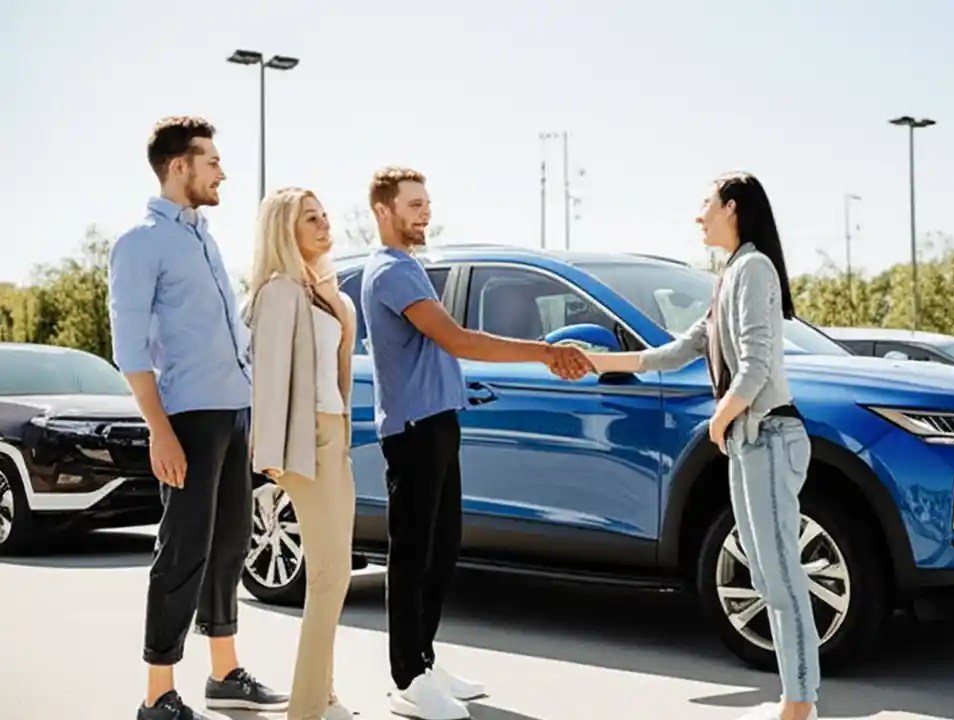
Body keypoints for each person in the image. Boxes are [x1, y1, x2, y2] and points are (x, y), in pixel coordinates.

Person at [359, 167, 594, 720]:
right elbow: (458, 340)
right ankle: (408, 680)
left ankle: (424, 659)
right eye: (413, 204)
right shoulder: (391, 271)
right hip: (413, 431)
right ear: (383, 211)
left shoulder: (409, 266)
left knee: (442, 549)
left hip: (438, 422)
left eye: (426, 203)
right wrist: (543, 352)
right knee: (413, 556)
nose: (424, 212)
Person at [587, 172, 819, 720]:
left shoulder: (754, 269)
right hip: (750, 442)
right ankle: (796, 700)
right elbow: (672, 353)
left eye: (705, 205)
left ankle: (799, 705)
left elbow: (758, 364)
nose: (698, 216)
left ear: (732, 208)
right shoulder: (731, 275)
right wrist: (596, 361)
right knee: (765, 577)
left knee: (782, 577)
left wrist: (720, 417)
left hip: (767, 436)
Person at [108, 116, 289, 719]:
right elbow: (130, 348)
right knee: (183, 549)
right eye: (211, 161)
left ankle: (224, 672)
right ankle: (157, 694)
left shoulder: (203, 237)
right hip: (187, 416)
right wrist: (159, 429)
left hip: (232, 411)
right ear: (179, 165)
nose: (222, 171)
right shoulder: (140, 243)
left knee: (232, 542)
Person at [243, 187, 357, 720]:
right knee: (329, 576)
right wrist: (271, 456)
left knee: (333, 580)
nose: (323, 224)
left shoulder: (319, 289)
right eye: (310, 218)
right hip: (305, 441)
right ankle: (308, 708)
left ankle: (324, 696)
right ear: (284, 231)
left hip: (335, 437)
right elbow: (267, 378)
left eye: (324, 215)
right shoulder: (279, 291)